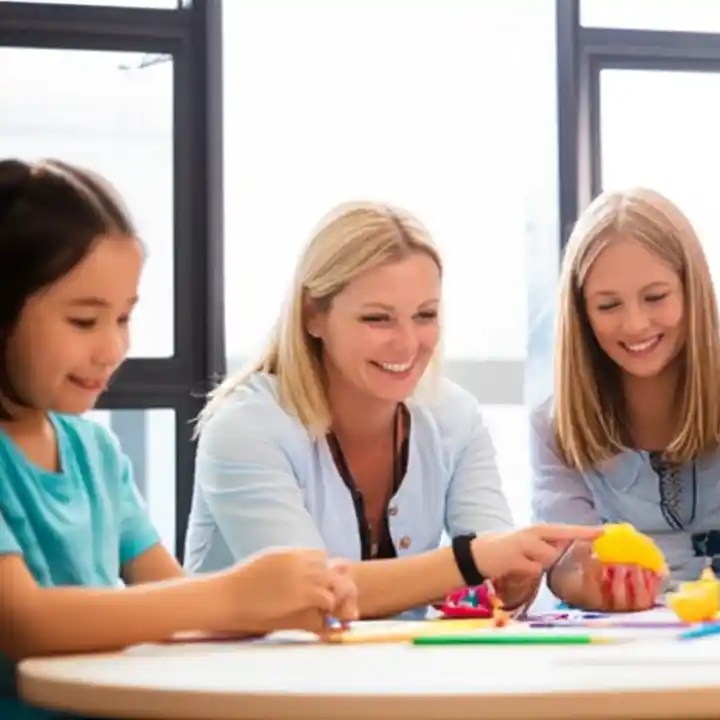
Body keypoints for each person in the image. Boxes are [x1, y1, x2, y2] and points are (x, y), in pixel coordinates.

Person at [0, 158, 357, 720]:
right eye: (84, 321)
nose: (113, 348)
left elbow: (170, 599)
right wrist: (237, 595)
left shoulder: (95, 455)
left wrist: (281, 605)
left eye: (123, 318)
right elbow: (23, 622)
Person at [186, 201, 599, 618]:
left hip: (387, 678)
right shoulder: (245, 427)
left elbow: (492, 573)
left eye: (425, 315)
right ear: (313, 315)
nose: (406, 344)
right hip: (248, 678)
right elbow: (311, 596)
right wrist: (471, 561)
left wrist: (514, 578)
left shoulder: (455, 417)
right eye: (377, 319)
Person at [532, 187, 720, 612]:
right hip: (606, 649)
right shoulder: (554, 423)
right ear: (581, 313)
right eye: (608, 306)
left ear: (691, 291)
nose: (635, 324)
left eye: (656, 297)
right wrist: (591, 584)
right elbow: (563, 564)